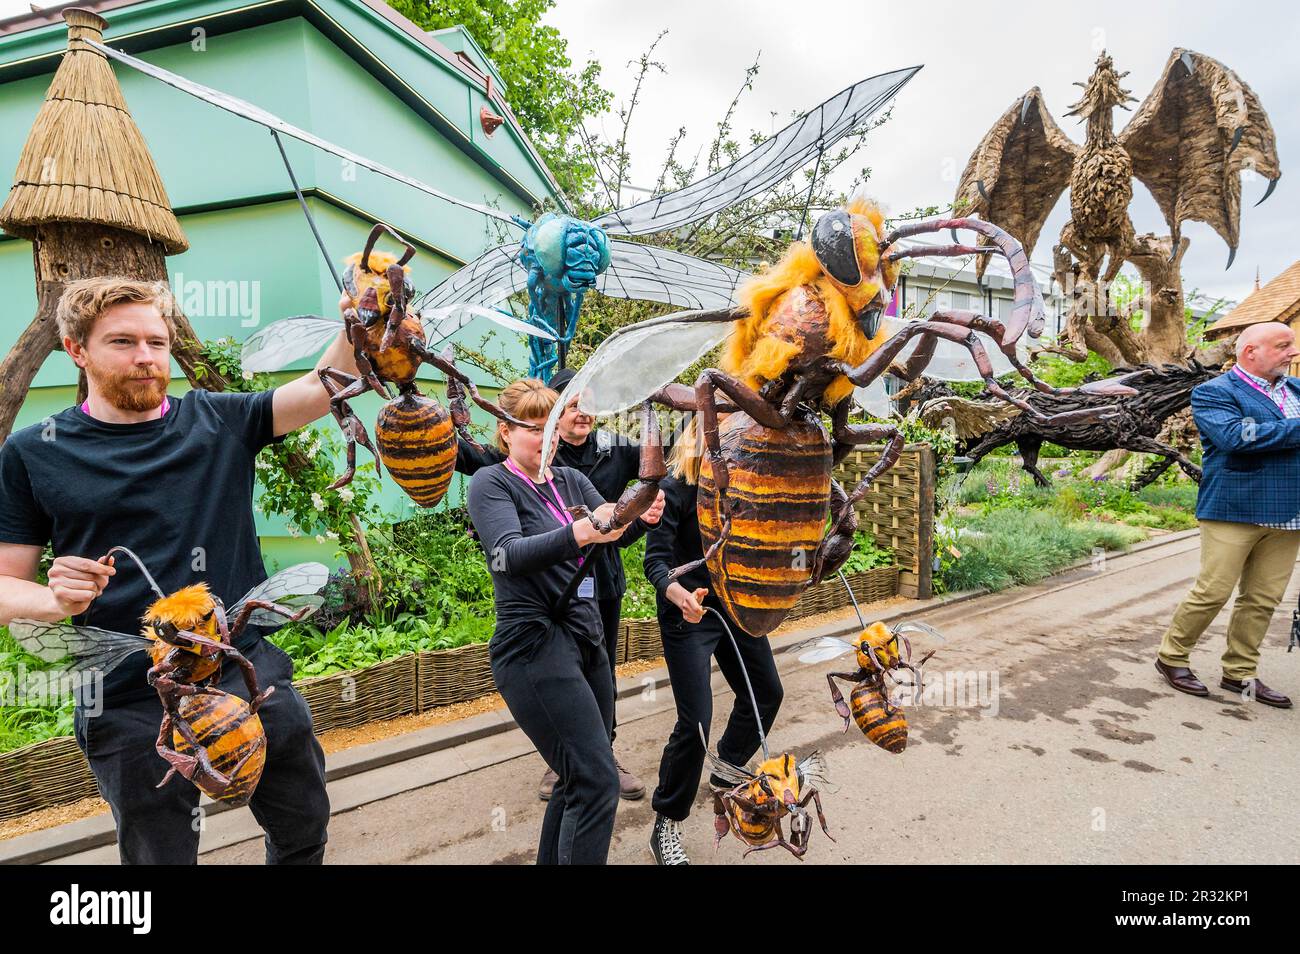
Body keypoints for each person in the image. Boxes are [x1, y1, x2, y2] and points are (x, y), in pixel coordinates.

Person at [0, 277, 359, 864]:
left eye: (156, 342)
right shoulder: (34, 451)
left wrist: (358, 323)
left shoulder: (217, 420)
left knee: (304, 827)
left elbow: (326, 387)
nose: (146, 357)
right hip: (129, 695)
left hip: (246, 673)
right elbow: (4, 585)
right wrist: (53, 600)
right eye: (123, 342)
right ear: (77, 350)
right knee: (158, 860)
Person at [466, 379, 657, 863]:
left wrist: (639, 509)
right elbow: (508, 555)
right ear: (505, 432)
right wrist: (584, 531)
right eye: (535, 429)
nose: (547, 439)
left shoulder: (569, 480)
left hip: (584, 635)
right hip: (531, 643)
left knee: (577, 778)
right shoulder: (492, 482)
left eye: (551, 428)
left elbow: (608, 523)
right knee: (596, 781)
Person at [642, 416, 783, 865]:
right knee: (695, 722)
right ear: (700, 438)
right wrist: (678, 593)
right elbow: (656, 562)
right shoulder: (673, 487)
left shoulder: (742, 485)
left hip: (732, 606)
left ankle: (725, 770)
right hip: (689, 612)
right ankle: (667, 821)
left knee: (766, 693)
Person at [1155, 321, 1300, 708]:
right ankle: (1172, 657)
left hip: (1289, 513)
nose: (1293, 352)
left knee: (1263, 599)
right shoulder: (1213, 393)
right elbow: (1236, 438)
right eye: (1283, 345)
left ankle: (1240, 673)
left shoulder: (1297, 390)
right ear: (1251, 351)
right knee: (1213, 591)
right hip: (1234, 508)